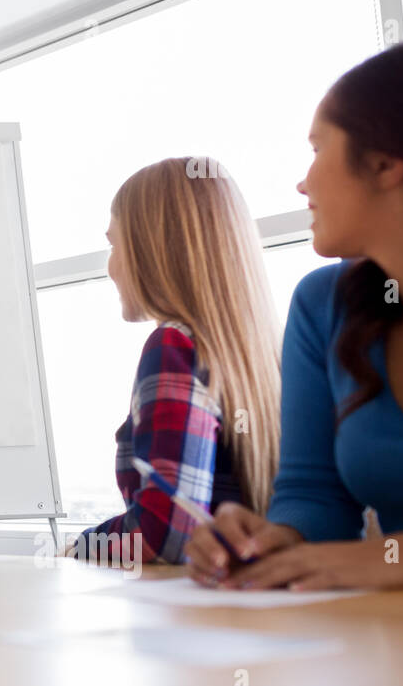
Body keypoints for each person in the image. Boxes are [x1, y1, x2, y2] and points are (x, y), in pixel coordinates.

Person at [188, 35, 403, 589]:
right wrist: (271, 540)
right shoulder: (324, 306)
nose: (303, 183)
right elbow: (315, 496)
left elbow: (383, 558)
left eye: (317, 149)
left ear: (384, 161)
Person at [68, 157, 281, 564]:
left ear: (154, 248)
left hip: (201, 612)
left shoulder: (173, 346)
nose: (110, 266)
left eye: (114, 245)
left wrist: (79, 547)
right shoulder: (263, 352)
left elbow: (166, 532)